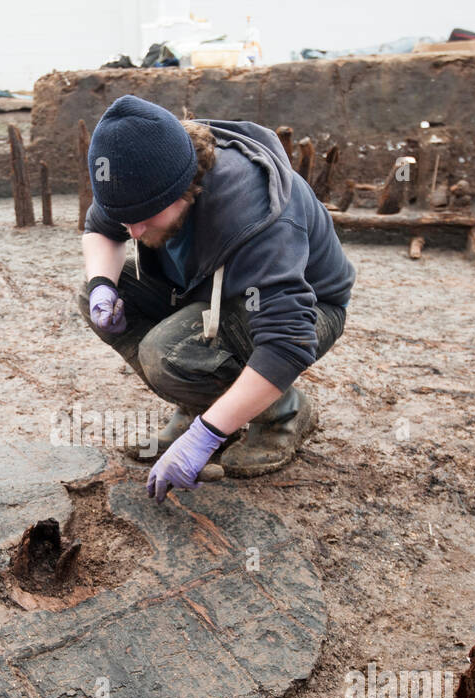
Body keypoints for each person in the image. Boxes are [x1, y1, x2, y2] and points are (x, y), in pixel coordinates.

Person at [78, 94, 356, 502]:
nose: (133, 232)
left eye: (146, 219)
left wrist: (203, 440)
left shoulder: (254, 213)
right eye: (126, 219)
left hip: (309, 308)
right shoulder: (143, 171)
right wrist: (102, 283)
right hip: (208, 293)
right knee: (99, 295)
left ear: (186, 189)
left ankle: (284, 414)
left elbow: (286, 342)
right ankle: (199, 405)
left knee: (167, 354)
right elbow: (101, 230)